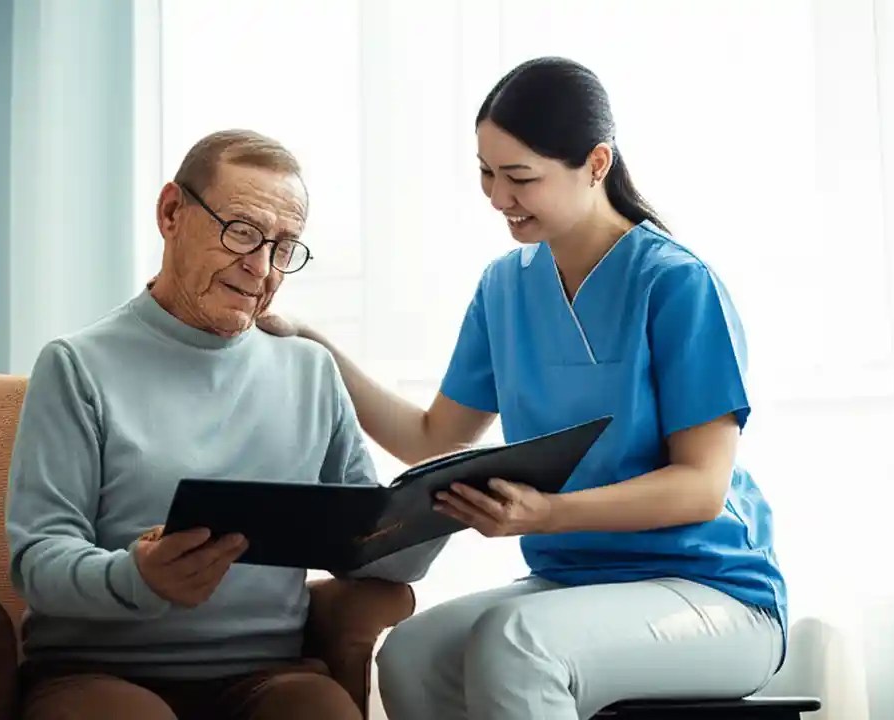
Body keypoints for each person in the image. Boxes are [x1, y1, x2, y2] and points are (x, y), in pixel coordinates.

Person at [258, 57, 788, 719]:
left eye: (520, 178)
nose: (498, 197)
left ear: (596, 164)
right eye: (485, 171)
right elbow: (432, 436)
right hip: (575, 583)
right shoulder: (505, 288)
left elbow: (702, 488)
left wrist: (546, 515)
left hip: (715, 594)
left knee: (517, 643)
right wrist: (314, 344)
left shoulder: (676, 284)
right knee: (410, 653)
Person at [5, 129, 446, 720]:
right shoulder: (77, 365)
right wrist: (137, 576)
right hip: (98, 672)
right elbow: (38, 560)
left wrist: (438, 514)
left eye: (283, 246)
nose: (260, 267)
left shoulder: (311, 373)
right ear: (171, 213)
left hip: (268, 673)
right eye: (241, 231)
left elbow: (359, 546)